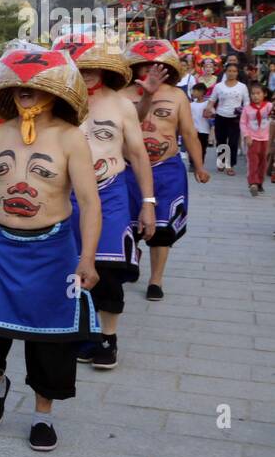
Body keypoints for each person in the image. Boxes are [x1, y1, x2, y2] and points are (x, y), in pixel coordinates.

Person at [0, 49, 100, 452]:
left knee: (51, 342)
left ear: (54, 92)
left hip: (53, 254)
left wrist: (87, 258)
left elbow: (89, 199)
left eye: (33, 86)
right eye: (17, 86)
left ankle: (42, 415)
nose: (25, 92)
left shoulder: (70, 138)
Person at [54, 39, 155, 369]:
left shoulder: (121, 105)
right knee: (69, 267)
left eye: (91, 66)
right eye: (79, 67)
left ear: (105, 67)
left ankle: (107, 339)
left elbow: (138, 155)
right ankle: (81, 331)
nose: (86, 72)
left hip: (111, 192)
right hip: (66, 194)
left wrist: (148, 203)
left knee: (108, 268)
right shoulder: (58, 103)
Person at [126, 40, 210, 301]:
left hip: (167, 168)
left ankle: (156, 279)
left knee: (162, 227)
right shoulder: (121, 94)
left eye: (156, 65)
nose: (151, 69)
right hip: (129, 168)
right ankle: (132, 254)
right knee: (128, 223)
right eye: (144, 65)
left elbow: (188, 133)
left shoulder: (177, 96)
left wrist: (199, 165)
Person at [207, 62, 249, 175]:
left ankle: (230, 165)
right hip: (221, 117)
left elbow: (246, 102)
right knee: (221, 141)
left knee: (233, 142)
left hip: (235, 118)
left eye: (234, 71)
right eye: (229, 71)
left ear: (237, 73)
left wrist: (245, 114)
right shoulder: (219, 86)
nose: (231, 73)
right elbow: (212, 100)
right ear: (225, 72)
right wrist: (208, 109)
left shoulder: (242, 87)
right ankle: (221, 162)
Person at [241, 82, 272, 195]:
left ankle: (260, 182)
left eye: (258, 93)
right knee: (253, 161)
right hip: (253, 138)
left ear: (264, 94)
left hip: (266, 138)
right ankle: (253, 183)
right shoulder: (247, 109)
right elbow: (243, 123)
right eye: (253, 94)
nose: (255, 96)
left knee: (263, 161)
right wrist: (247, 136)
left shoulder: (269, 106)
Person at [188, 82, 213, 172]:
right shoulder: (191, 104)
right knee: (192, 147)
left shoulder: (207, 104)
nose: (192, 93)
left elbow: (212, 114)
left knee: (202, 148)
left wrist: (210, 114)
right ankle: (192, 163)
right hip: (193, 130)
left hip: (204, 130)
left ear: (201, 92)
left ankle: (200, 164)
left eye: (194, 91)